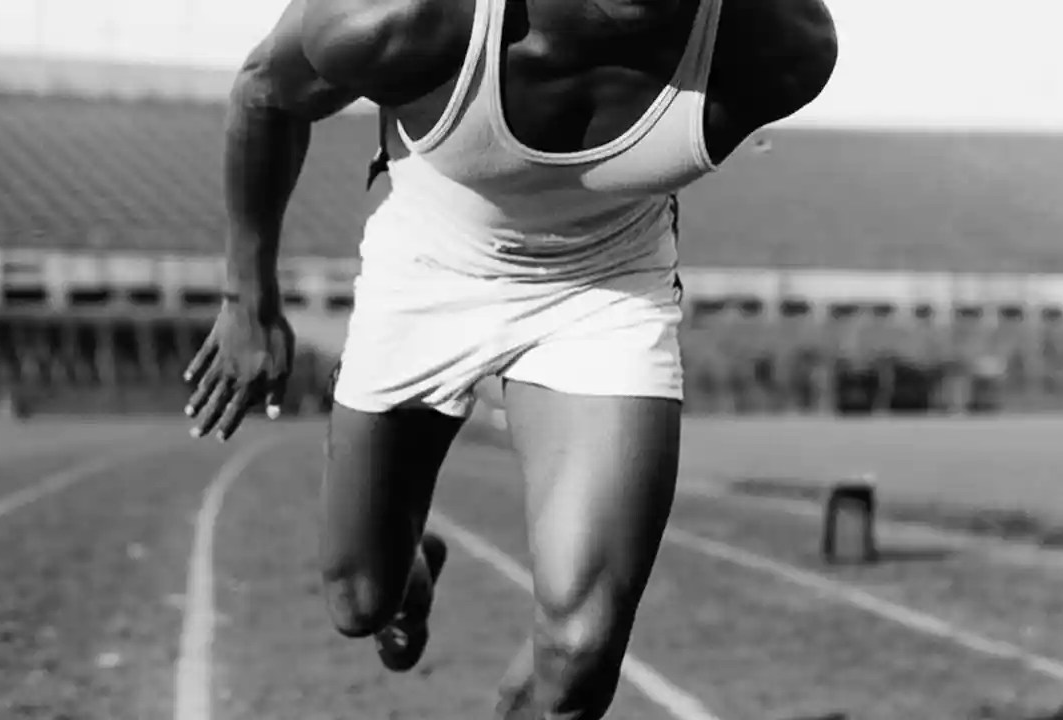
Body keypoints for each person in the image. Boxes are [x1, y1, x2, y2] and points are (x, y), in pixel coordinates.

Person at [183, 0, 837, 716]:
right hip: (425, 273)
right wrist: (247, 299)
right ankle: (410, 568)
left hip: (606, 287)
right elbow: (266, 90)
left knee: (580, 649)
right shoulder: (406, 19)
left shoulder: (781, 46)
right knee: (359, 599)